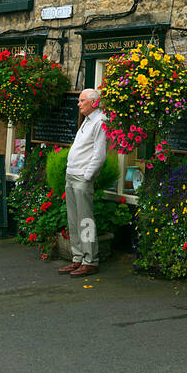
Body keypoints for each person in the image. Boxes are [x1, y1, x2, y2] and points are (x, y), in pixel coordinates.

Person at [61, 88, 107, 277]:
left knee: (85, 220)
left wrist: (88, 176)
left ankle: (90, 260)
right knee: (73, 220)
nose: (78, 104)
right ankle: (78, 257)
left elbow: (99, 154)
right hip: (71, 175)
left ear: (93, 102)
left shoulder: (100, 121)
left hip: (82, 177)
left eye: (82, 101)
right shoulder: (87, 121)